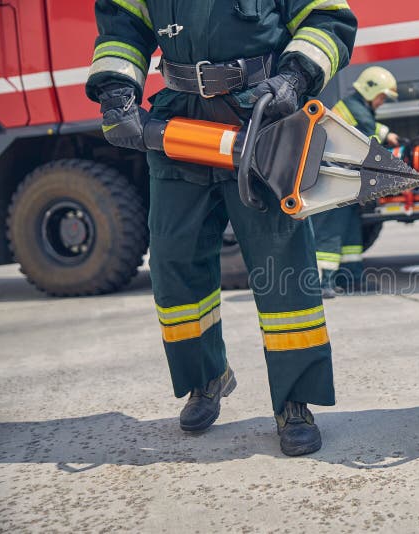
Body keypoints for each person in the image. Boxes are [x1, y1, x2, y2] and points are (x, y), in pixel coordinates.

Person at [85, 0, 356, 456]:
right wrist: (116, 91)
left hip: (262, 113)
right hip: (177, 118)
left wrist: (295, 77)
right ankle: (205, 378)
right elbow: (122, 25)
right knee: (174, 260)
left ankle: (294, 400)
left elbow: (328, 18)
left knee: (282, 267)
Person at [313, 66, 400, 299]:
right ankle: (321, 283)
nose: (382, 102)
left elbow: (369, 128)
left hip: (344, 179)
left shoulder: (357, 107)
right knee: (330, 231)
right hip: (332, 180)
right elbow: (370, 141)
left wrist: (387, 133)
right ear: (371, 92)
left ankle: (351, 278)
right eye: (382, 97)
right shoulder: (354, 107)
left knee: (351, 231)